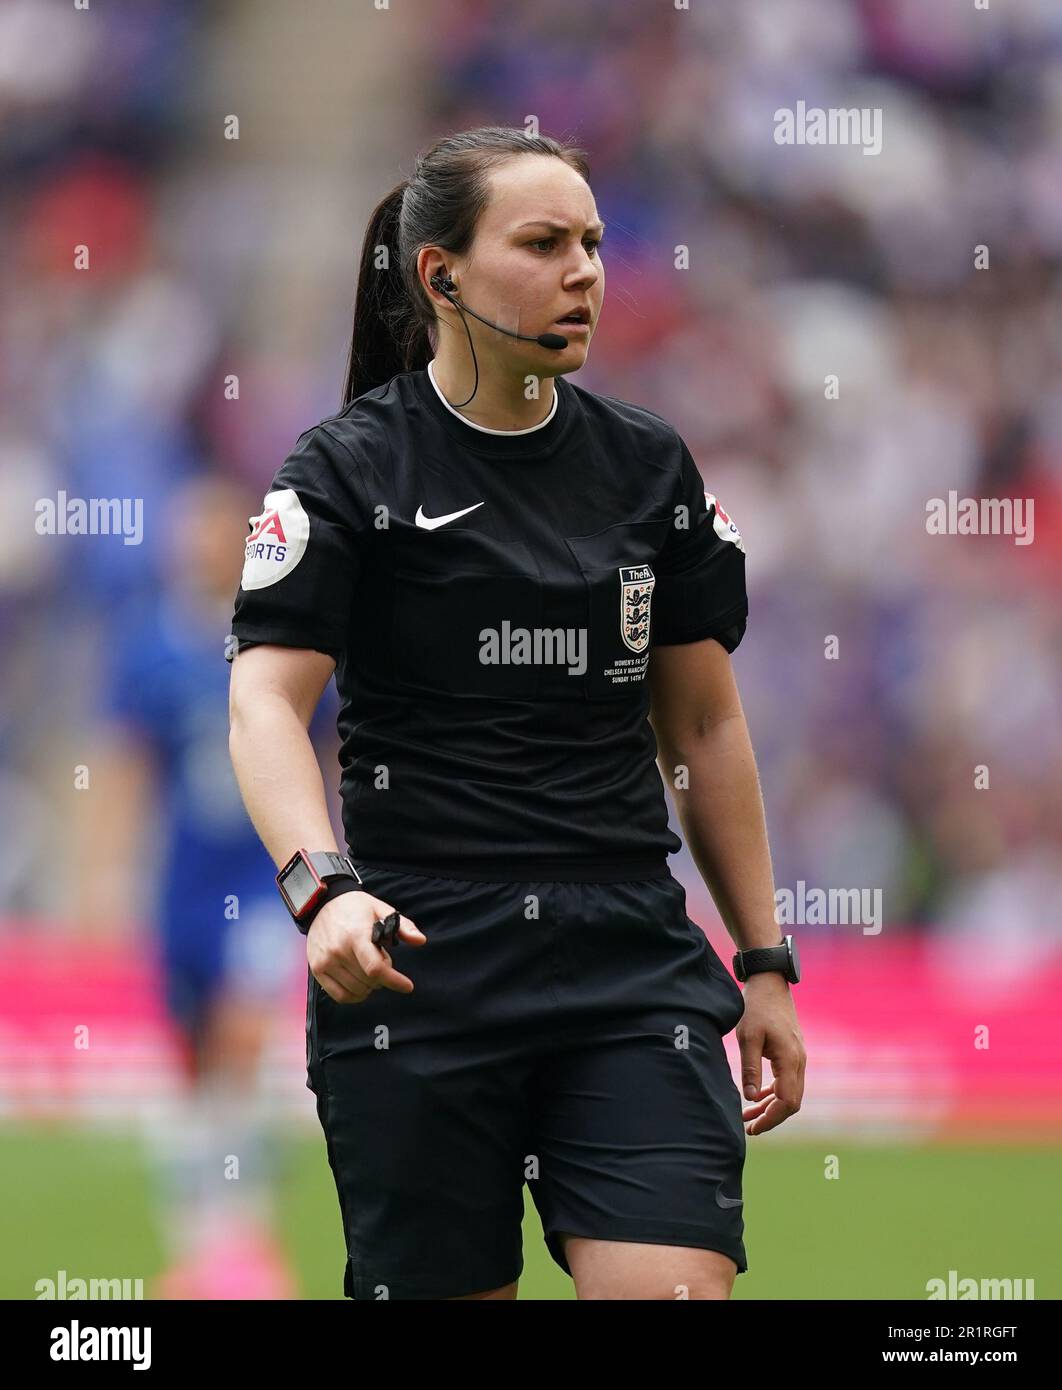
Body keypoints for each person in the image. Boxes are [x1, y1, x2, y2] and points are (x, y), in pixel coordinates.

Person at [227, 126, 806, 1301]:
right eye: (542, 244)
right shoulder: (343, 473)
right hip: (416, 968)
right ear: (439, 276)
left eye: (590, 242)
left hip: (628, 962)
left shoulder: (651, 471)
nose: (584, 269)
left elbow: (701, 729)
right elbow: (263, 704)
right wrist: (321, 892)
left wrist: (761, 962)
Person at [85, 475, 338, 1298]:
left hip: (263, 877)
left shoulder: (280, 637)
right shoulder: (149, 644)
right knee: (195, 1062)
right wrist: (107, 871)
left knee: (237, 1031)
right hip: (182, 883)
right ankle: (208, 1248)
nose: (196, 544)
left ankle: (242, 1241)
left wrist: (334, 857)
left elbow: (329, 749)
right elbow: (124, 767)